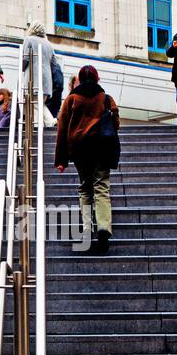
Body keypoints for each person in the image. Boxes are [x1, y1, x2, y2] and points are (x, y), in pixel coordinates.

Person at [54, 65, 120, 256]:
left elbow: (62, 128)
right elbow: (115, 123)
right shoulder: (106, 98)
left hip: (80, 149)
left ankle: (86, 228)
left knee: (85, 187)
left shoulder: (71, 99)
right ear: (97, 79)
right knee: (101, 187)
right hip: (102, 148)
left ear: (80, 80)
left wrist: (61, 159)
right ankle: (103, 229)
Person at [21, 22, 57, 127]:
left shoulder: (29, 39)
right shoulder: (48, 44)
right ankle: (51, 122)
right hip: (46, 81)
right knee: (39, 103)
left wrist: (22, 67)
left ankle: (37, 127)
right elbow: (54, 64)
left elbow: (26, 58)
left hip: (33, 79)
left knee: (34, 104)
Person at [48, 54, 65, 119]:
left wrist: (49, 97)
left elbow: (59, 85)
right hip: (55, 101)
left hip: (52, 101)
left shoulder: (55, 67)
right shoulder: (56, 67)